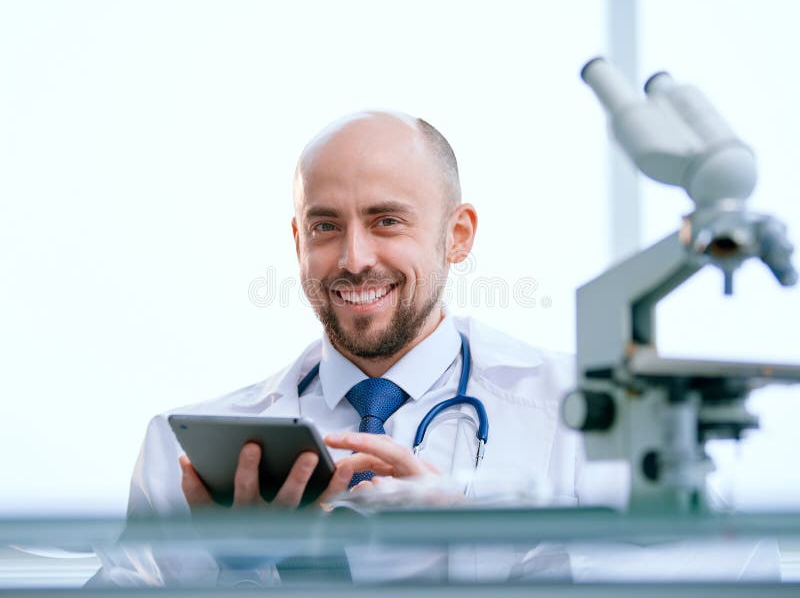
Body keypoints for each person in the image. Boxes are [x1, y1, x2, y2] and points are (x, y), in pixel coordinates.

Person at [90, 110, 779, 587]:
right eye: (325, 226)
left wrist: (473, 539)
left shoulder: (584, 414)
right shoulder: (185, 451)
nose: (354, 258)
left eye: (386, 220)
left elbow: (742, 569)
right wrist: (226, 567)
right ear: (298, 243)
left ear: (459, 235)